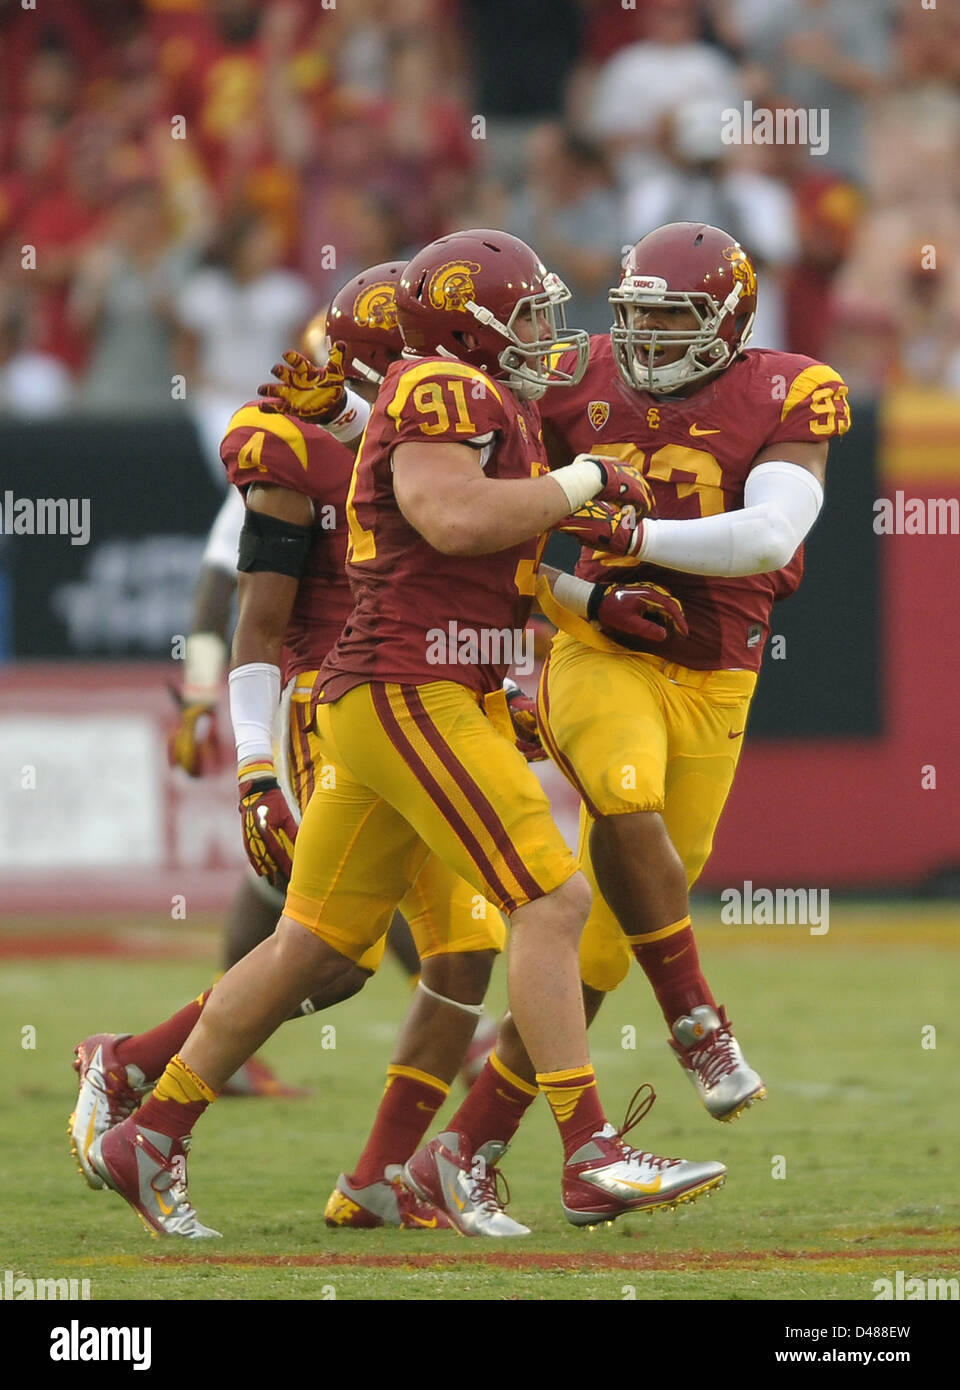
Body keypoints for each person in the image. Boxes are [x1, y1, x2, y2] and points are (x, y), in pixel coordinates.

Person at [80, 228, 726, 1238]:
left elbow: (463, 536)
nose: (545, 331)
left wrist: (584, 600)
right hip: (407, 685)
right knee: (552, 898)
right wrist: (587, 481)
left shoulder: (455, 399)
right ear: (465, 324)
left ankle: (148, 1127)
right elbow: (451, 517)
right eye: (525, 312)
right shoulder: (444, 390)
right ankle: (589, 1150)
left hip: (404, 684)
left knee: (317, 948)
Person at [408, 222, 852, 1201]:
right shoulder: (568, 373)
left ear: (730, 322)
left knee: (613, 936)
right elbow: (481, 509)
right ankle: (696, 1017)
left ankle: (471, 1148)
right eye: (637, 313)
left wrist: (638, 530)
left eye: (672, 317)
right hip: (601, 648)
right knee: (622, 794)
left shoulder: (789, 388)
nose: (647, 337)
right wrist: (580, 595)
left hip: (720, 672)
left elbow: (770, 531)